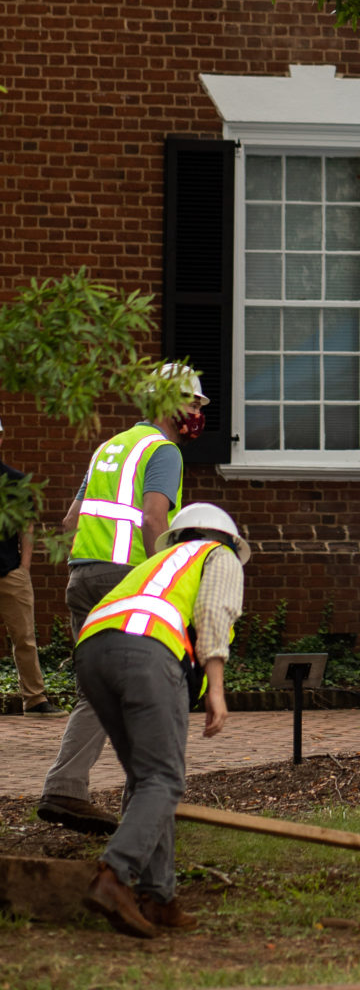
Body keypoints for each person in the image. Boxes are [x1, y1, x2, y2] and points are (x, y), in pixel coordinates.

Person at [39, 365, 207, 833]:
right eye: (192, 403)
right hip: (126, 580)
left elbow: (71, 520)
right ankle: (144, 803)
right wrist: (166, 581)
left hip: (82, 577)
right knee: (149, 689)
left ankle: (67, 789)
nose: (197, 413)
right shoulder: (163, 451)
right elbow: (154, 518)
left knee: (97, 688)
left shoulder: (108, 448)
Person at [74, 500, 248, 938]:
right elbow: (213, 611)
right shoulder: (219, 554)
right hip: (148, 651)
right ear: (226, 538)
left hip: (92, 651)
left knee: (146, 778)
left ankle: (159, 897)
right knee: (163, 778)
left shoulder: (155, 564)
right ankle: (114, 875)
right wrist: (217, 689)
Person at [0, 417, 52, 714]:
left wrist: (25, 566)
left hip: (10, 571)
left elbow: (27, 526)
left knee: (25, 639)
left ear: (1, 439)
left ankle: (35, 700)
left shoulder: (15, 480)